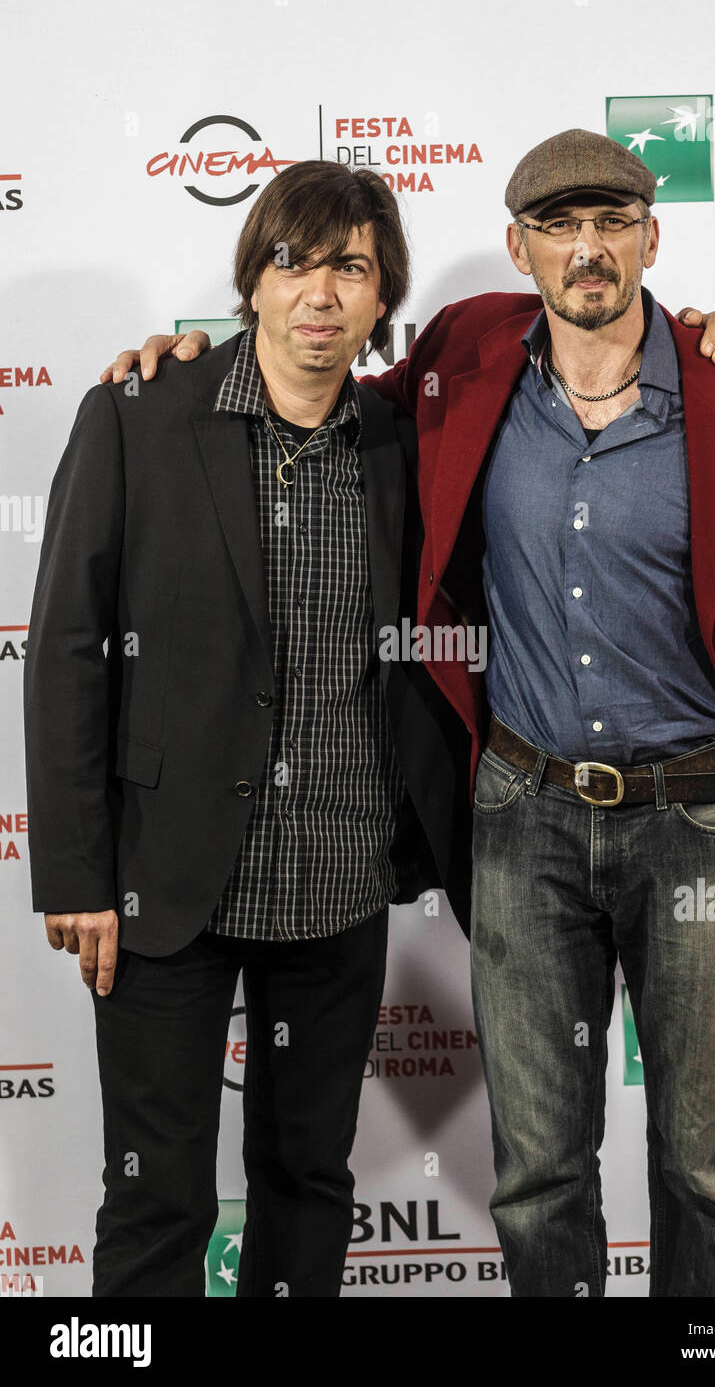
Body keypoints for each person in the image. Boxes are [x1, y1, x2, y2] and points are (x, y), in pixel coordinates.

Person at [99, 139, 715, 1299]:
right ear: (517, 246)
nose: (587, 248)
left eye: (611, 223)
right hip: (519, 814)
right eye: (557, 227)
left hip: (703, 816)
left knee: (704, 1164)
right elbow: (312, 390)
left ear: (650, 239)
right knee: (534, 1169)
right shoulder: (461, 355)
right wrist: (183, 368)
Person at [23, 160, 471, 1298]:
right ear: (254, 281)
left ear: (382, 301)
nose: (320, 292)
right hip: (164, 886)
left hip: (334, 878)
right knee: (156, 1191)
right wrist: (74, 872)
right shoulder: (139, 413)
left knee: (307, 1175)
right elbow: (69, 645)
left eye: (351, 269)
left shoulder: (400, 444)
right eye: (295, 262)